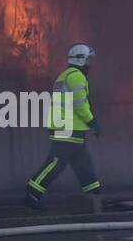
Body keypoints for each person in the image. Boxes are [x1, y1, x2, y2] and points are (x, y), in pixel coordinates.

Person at [25, 43, 102, 211]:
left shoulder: (64, 75)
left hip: (68, 128)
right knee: (56, 163)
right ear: (81, 60)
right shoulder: (77, 77)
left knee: (83, 163)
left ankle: (94, 193)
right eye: (88, 60)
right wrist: (92, 121)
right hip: (69, 128)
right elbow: (80, 104)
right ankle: (32, 192)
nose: (90, 64)